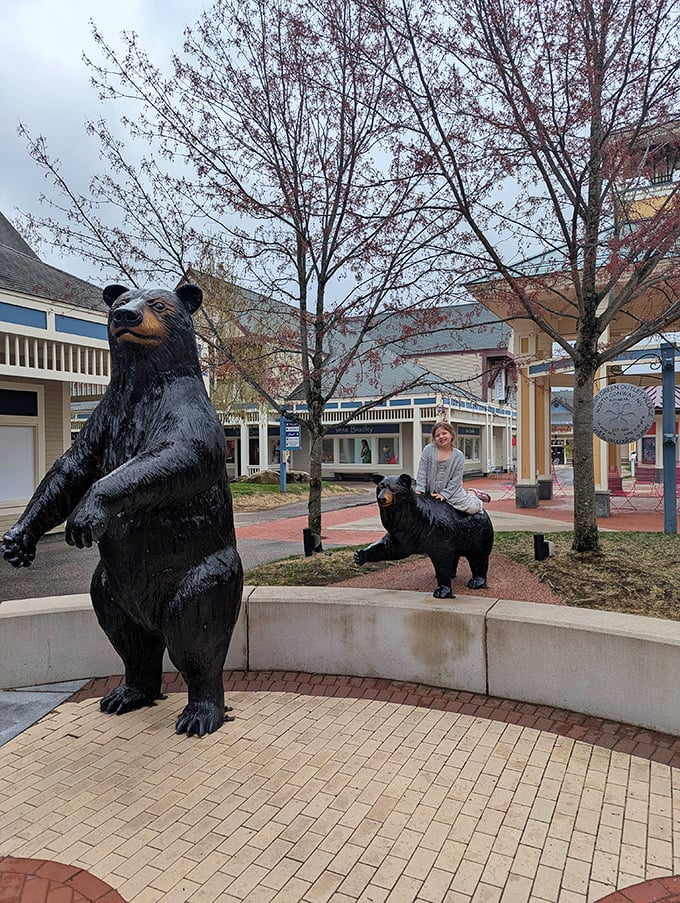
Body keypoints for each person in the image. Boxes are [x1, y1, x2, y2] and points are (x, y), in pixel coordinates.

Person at [416, 421, 490, 514]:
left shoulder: (458, 456)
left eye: (444, 433)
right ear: (434, 439)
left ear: (451, 435)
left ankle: (473, 494)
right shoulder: (428, 450)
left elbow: (456, 479)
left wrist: (444, 495)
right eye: (437, 435)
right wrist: (420, 490)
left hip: (452, 493)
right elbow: (422, 471)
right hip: (430, 492)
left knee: (473, 508)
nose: (441, 437)